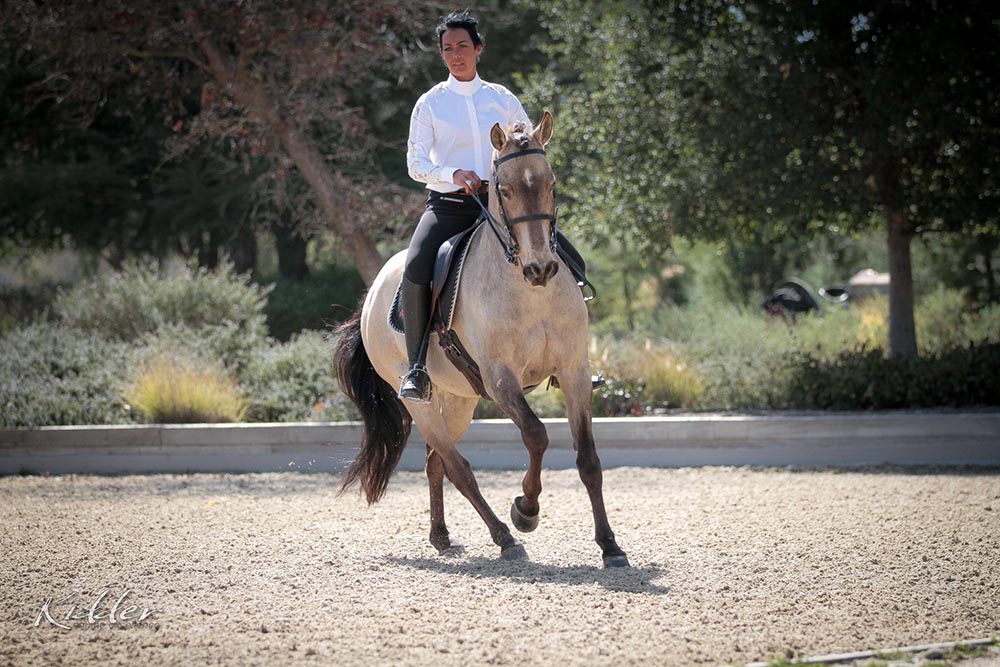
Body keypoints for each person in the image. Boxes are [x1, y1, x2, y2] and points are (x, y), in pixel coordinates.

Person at [399, 10, 586, 403]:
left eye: (462, 46)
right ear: (442, 55)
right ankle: (417, 368)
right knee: (417, 265)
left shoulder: (501, 98)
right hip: (450, 206)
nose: (455, 54)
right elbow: (415, 163)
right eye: (447, 49)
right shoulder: (430, 103)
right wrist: (454, 174)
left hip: (505, 207)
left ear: (478, 48)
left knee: (573, 260)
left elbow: (530, 141)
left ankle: (573, 360)